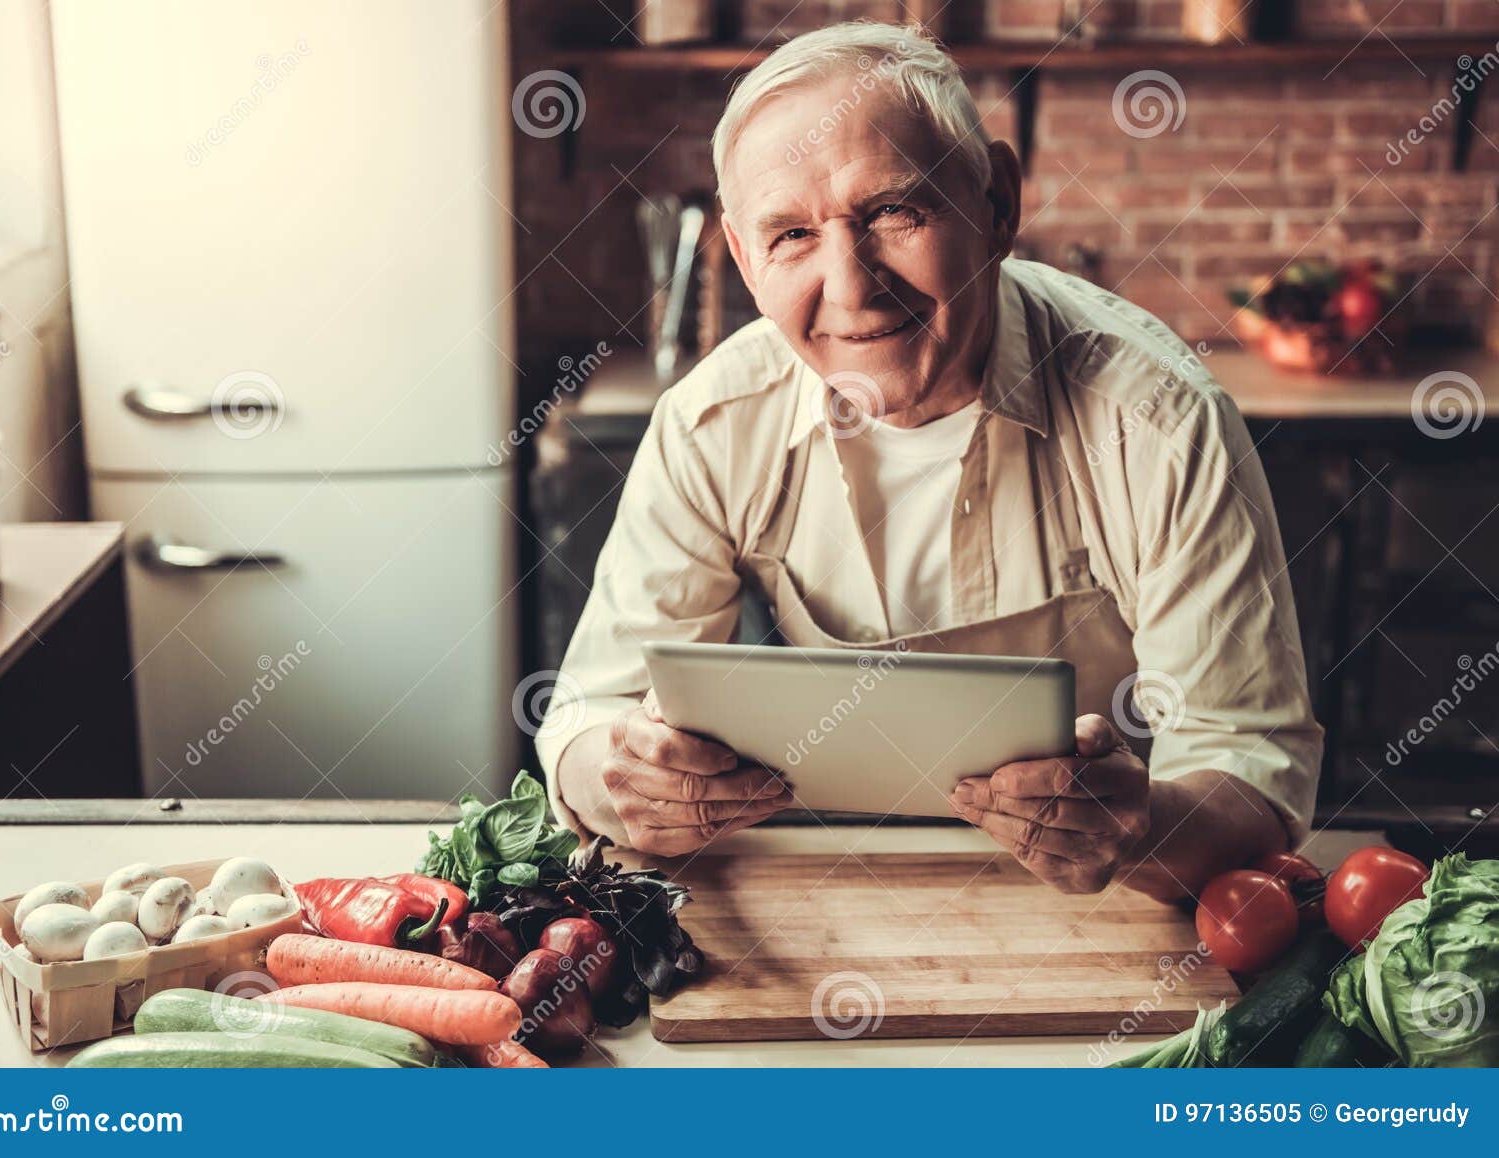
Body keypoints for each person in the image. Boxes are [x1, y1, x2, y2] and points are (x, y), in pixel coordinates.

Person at [535, 22, 1321, 901]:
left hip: (1112, 904)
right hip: (826, 888)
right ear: (745, 258)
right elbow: (583, 716)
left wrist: (1141, 832)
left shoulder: (1156, 421)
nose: (853, 286)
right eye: (791, 235)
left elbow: (1251, 765)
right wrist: (624, 780)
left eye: (893, 212)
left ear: (998, 205)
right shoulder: (712, 423)